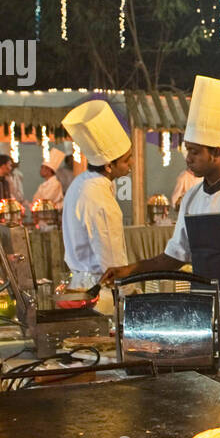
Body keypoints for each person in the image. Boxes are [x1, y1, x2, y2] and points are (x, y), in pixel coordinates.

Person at [105, 77, 220, 343]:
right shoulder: (191, 198)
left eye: (195, 152)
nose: (188, 158)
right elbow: (173, 257)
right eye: (187, 151)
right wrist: (129, 270)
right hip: (200, 312)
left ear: (216, 151)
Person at [60, 100, 133, 313]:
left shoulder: (82, 182)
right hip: (101, 296)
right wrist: (128, 292)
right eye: (127, 161)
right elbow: (111, 256)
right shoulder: (98, 196)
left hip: (81, 287)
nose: (132, 165)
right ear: (109, 165)